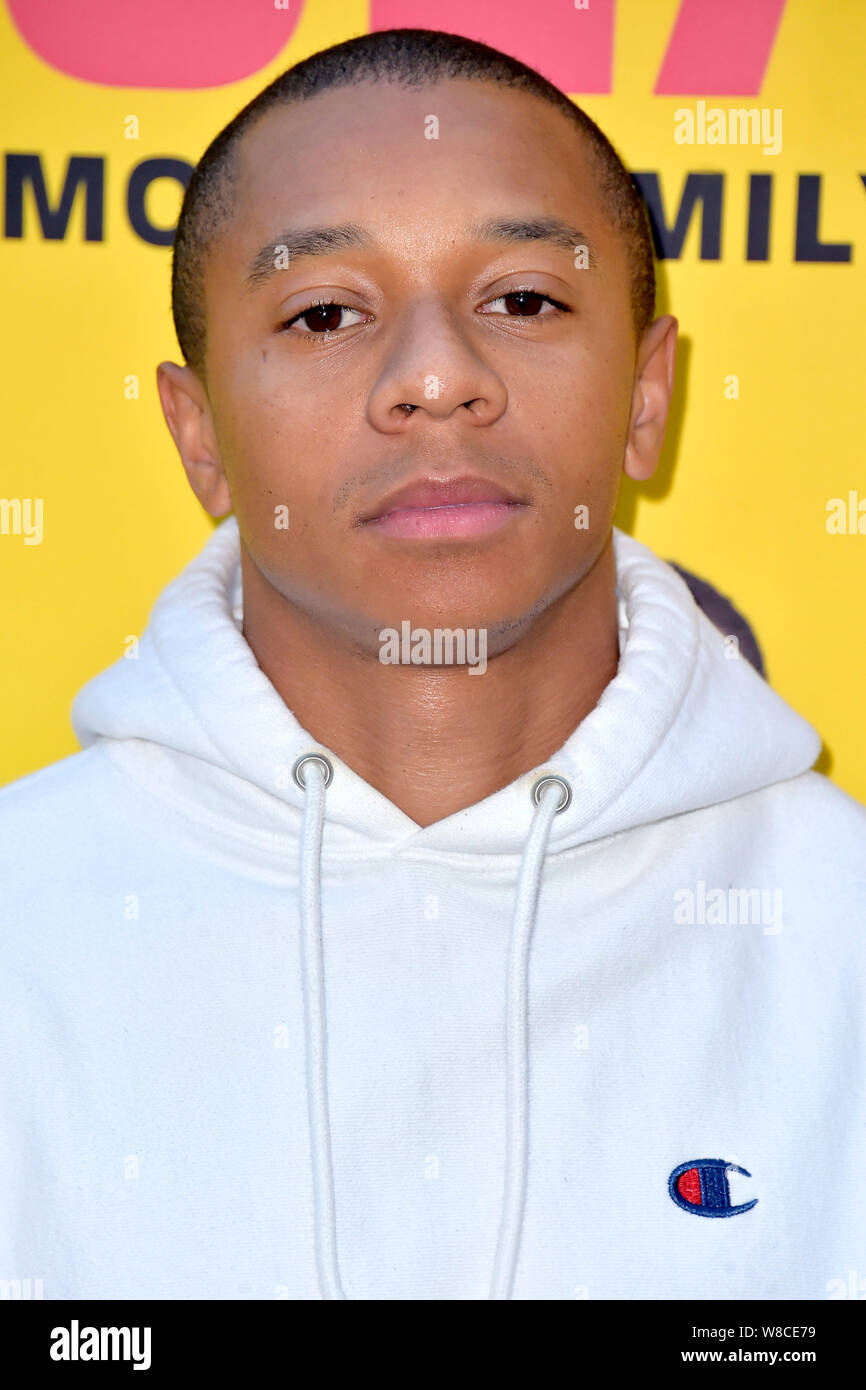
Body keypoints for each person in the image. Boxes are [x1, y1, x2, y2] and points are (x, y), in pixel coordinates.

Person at [1, 28, 863, 1303]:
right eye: (325, 312)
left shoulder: (837, 934)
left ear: (644, 395)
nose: (436, 378)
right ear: (199, 439)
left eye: (521, 299)